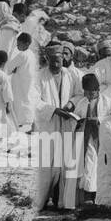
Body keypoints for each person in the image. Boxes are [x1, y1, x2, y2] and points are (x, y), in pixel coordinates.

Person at [32, 43, 83, 211]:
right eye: (52, 61)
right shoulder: (39, 76)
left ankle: (61, 201)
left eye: (58, 61)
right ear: (47, 60)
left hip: (66, 124)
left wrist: (70, 104)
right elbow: (34, 101)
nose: (56, 64)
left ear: (63, 59)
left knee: (65, 163)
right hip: (49, 126)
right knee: (47, 164)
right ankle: (42, 200)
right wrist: (53, 110)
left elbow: (78, 94)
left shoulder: (70, 75)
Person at [69, 73, 104, 203]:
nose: (89, 96)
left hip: (100, 137)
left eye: (92, 93)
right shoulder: (82, 103)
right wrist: (78, 121)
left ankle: (97, 195)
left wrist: (98, 120)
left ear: (98, 90)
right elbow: (76, 118)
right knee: (89, 164)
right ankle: (88, 196)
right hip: (86, 137)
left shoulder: (106, 101)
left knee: (97, 165)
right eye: (87, 93)